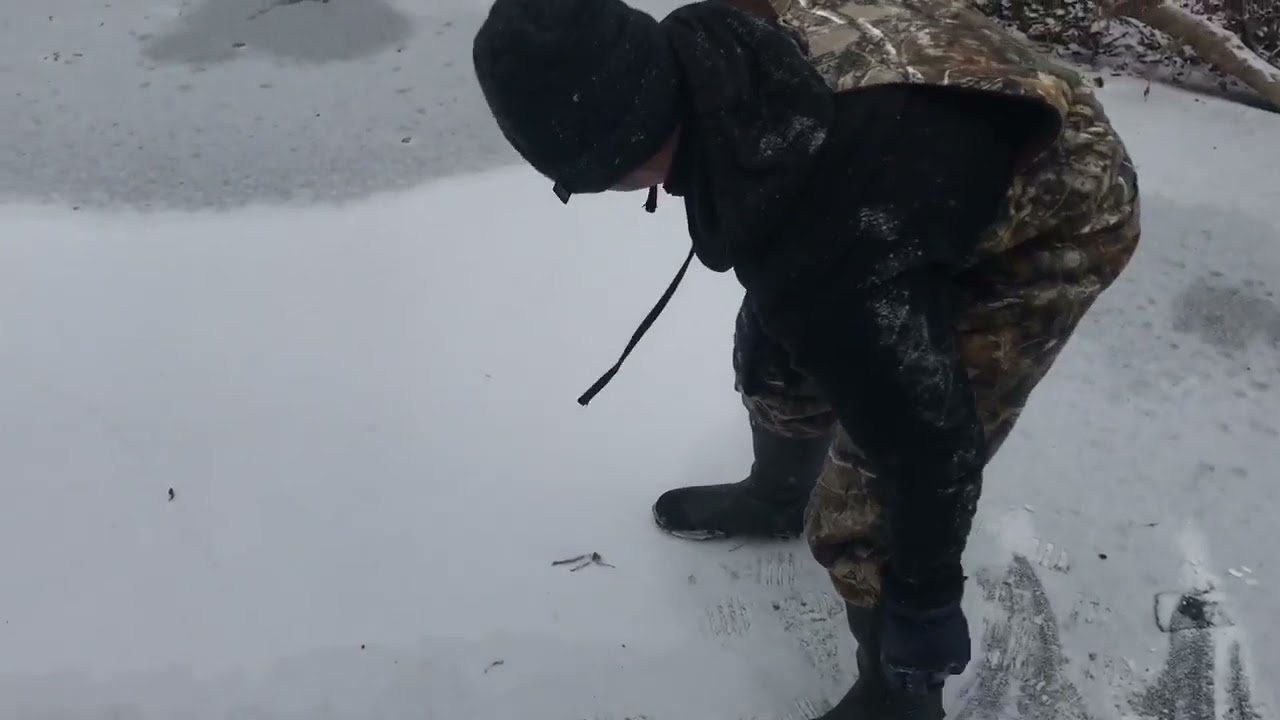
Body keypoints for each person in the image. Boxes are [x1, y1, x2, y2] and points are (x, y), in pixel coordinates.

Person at [472, 0, 1140, 717]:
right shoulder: (723, 54)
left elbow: (928, 441)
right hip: (935, 129)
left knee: (868, 504)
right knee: (777, 354)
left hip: (1059, 191)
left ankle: (898, 701)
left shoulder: (831, 238)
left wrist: (924, 600)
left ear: (619, 153)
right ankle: (775, 498)